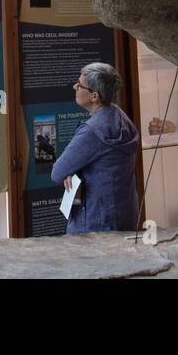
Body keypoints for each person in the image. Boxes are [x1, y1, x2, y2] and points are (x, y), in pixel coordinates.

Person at [51, 62, 140, 233]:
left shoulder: (91, 132)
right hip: (123, 216)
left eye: (80, 85)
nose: (75, 86)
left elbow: (57, 172)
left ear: (94, 96)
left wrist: (70, 172)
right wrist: (72, 171)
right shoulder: (120, 117)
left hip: (95, 223)